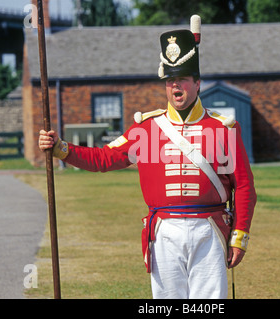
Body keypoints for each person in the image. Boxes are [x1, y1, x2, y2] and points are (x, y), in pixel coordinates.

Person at [39, 24, 257, 299]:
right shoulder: (147, 129)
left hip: (210, 228)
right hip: (163, 229)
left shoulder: (224, 129)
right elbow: (105, 158)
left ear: (198, 82)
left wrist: (239, 236)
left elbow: (245, 186)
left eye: (184, 78)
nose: (176, 85)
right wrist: (62, 149)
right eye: (170, 80)